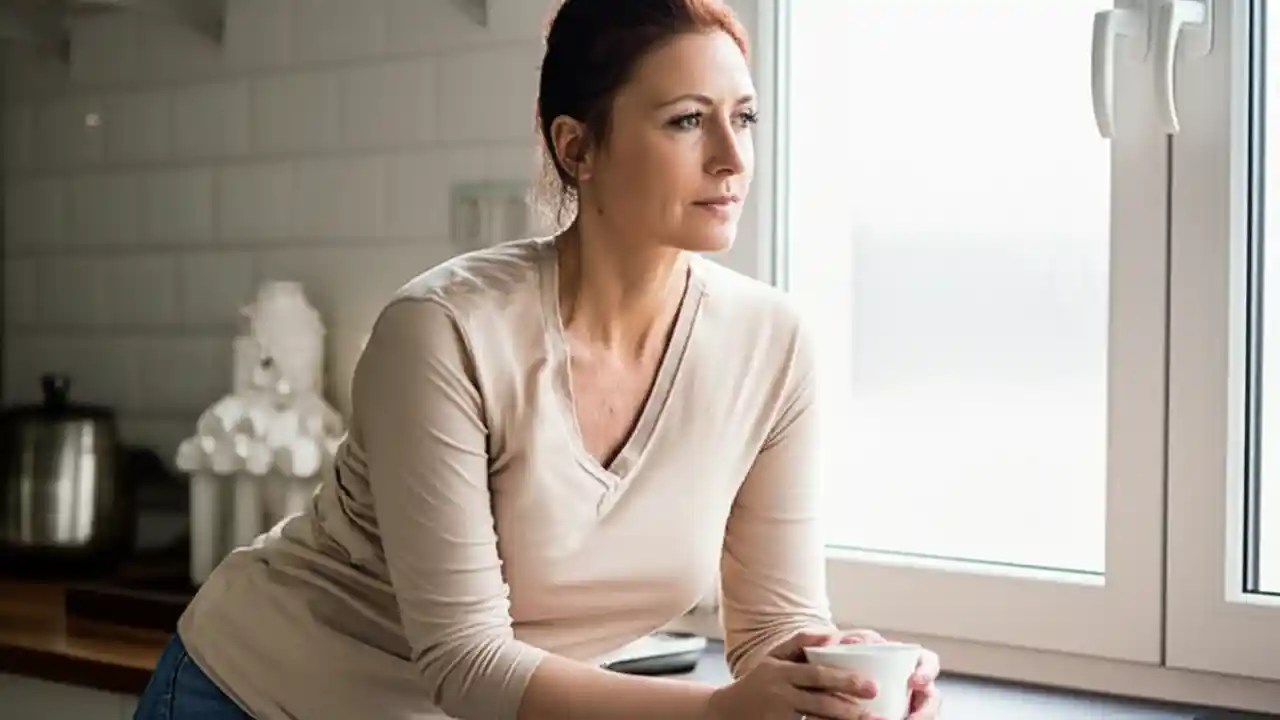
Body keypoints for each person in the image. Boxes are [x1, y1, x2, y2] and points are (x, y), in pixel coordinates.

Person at [133, 1, 942, 718]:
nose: (733, 157)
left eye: (746, 117)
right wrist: (718, 715)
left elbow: (771, 628)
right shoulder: (444, 332)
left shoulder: (774, 346)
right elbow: (467, 663)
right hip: (257, 697)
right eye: (689, 120)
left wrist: (837, 679)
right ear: (577, 147)